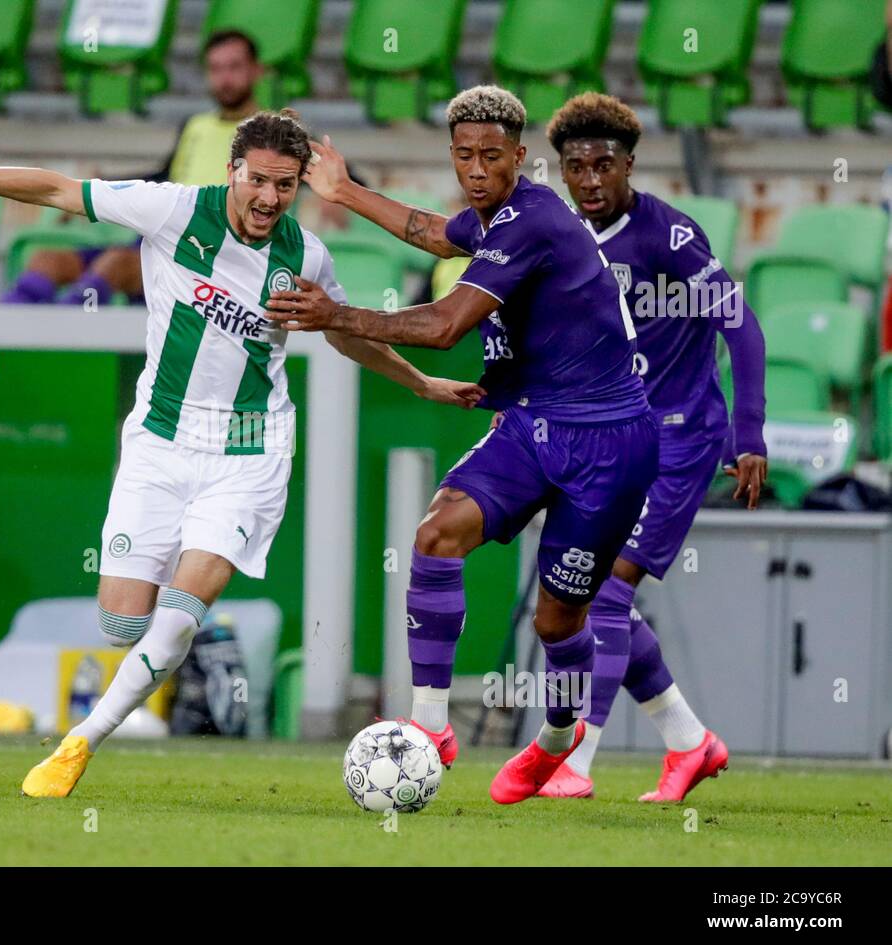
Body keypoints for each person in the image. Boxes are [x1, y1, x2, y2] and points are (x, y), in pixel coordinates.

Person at [0, 109, 483, 798]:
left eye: (286, 185)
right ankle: (161, 642)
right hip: (159, 441)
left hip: (250, 449)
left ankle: (80, 742)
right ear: (232, 172)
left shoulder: (305, 257)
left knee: (184, 609)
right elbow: (58, 190)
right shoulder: (173, 211)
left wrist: (421, 382)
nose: (271, 199)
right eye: (259, 181)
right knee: (123, 621)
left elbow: (345, 335)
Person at [270, 86, 659, 805]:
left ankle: (558, 733)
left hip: (609, 444)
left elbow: (448, 323)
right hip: (529, 424)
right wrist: (345, 189)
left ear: (519, 157)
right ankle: (430, 726)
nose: (475, 169)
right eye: (463, 155)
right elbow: (430, 231)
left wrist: (335, 314)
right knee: (436, 534)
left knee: (555, 619)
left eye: (490, 156)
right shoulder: (490, 218)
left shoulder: (533, 220)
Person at [536, 92, 767, 801]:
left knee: (602, 595)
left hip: (679, 439)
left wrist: (748, 432)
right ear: (563, 173)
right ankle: (689, 743)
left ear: (630, 165)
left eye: (606, 164)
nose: (593, 180)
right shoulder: (560, 236)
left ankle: (574, 762)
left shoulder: (668, 238)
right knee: (587, 598)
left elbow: (741, 325)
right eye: (578, 167)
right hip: (605, 444)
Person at [1, 30, 264, 307]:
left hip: (201, 256)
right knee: (46, 260)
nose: (224, 79)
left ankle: (61, 342)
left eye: (234, 67)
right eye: (215, 69)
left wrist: (316, 191)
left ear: (256, 70)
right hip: (153, 239)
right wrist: (96, 186)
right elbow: (164, 178)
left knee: (114, 264)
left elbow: (293, 177)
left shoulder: (270, 132)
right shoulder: (196, 125)